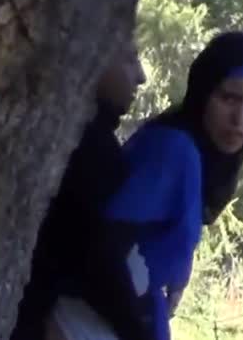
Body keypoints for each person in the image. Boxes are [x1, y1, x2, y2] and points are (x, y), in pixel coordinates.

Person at [50, 31, 243, 340]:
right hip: (82, 320)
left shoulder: (198, 156)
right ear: (203, 93)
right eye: (228, 98)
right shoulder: (174, 149)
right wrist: (137, 328)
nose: (240, 118)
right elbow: (101, 246)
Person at [9, 39, 146, 340]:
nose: (140, 76)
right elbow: (95, 256)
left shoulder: (83, 138)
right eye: (129, 58)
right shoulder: (86, 147)